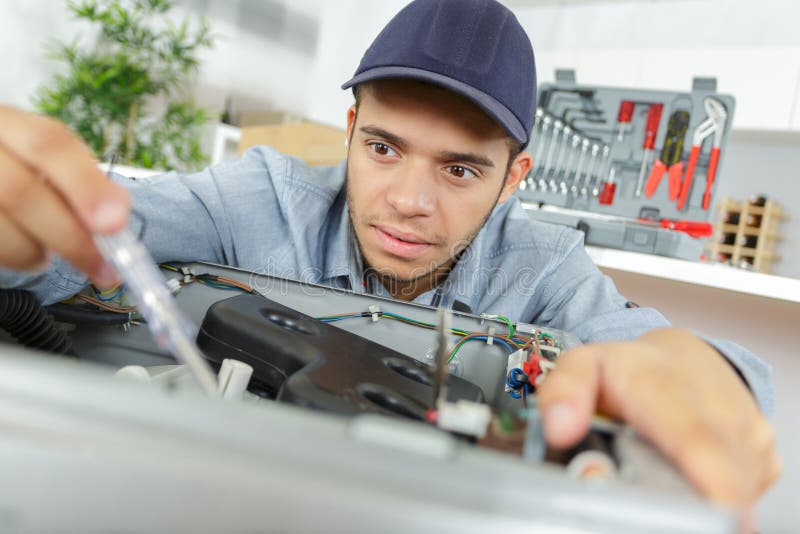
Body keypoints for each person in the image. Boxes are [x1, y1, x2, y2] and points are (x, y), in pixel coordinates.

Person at [0, 0, 779, 519]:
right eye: (383, 148)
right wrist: (24, 232)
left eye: (460, 169)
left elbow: (692, 366)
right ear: (349, 129)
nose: (410, 199)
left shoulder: (542, 266)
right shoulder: (261, 196)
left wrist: (711, 374)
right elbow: (85, 240)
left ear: (515, 178)